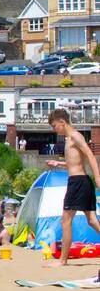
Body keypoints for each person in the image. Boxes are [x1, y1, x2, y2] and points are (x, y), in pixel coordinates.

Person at [47, 108, 100, 268]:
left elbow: (90, 155)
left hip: (78, 182)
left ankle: (63, 260)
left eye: (54, 126)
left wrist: (98, 178)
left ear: (62, 122)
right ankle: (63, 260)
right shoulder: (69, 138)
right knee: (92, 221)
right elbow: (75, 161)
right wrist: (60, 163)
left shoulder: (75, 136)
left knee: (66, 220)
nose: (54, 129)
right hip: (81, 181)